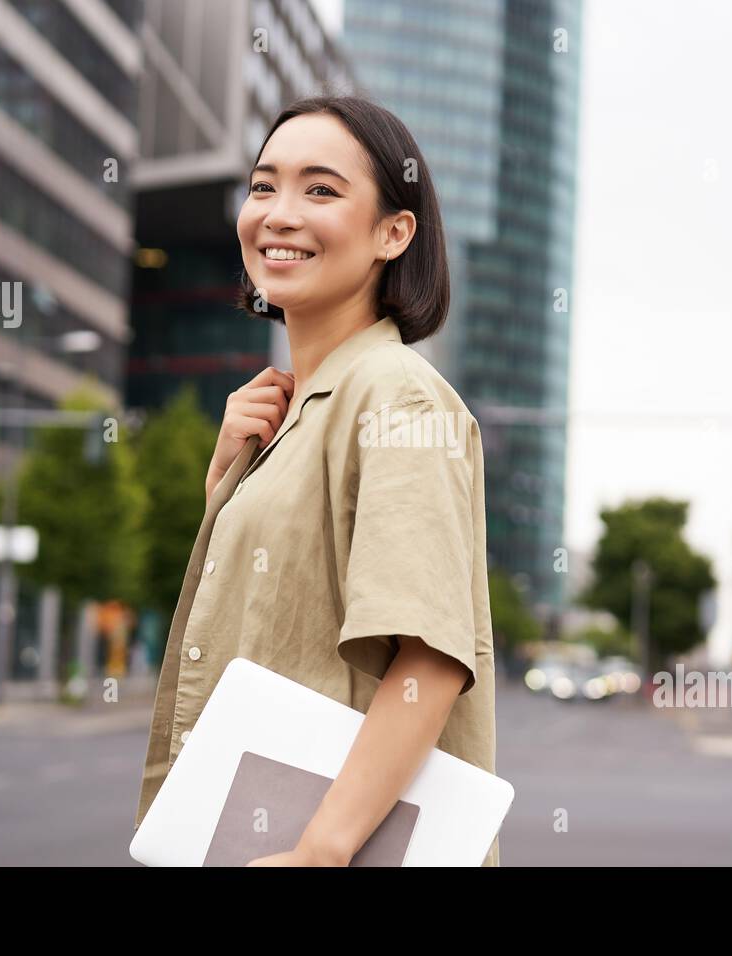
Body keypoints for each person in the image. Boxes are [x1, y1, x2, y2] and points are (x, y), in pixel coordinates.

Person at [133, 94, 500, 867]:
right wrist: (226, 492)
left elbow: (429, 659)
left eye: (321, 190)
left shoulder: (395, 395)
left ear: (393, 232)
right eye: (263, 186)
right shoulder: (291, 413)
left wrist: (319, 854)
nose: (278, 213)